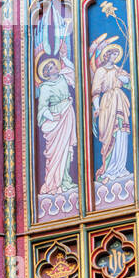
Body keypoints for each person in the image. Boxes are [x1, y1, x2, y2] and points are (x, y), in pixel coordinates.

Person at [35, 43, 77, 195]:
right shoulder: (45, 87)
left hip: (67, 113)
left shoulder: (64, 76)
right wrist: (53, 116)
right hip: (56, 119)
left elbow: (74, 72)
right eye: (51, 67)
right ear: (46, 72)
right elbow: (43, 108)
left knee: (67, 148)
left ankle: (66, 180)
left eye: (55, 65)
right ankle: (54, 182)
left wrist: (64, 56)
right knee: (56, 152)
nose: (55, 67)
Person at [90, 36, 132, 182]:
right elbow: (95, 91)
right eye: (112, 54)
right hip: (107, 104)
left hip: (119, 100)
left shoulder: (117, 69)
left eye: (116, 54)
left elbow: (129, 84)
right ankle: (109, 168)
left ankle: (120, 166)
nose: (114, 57)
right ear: (107, 55)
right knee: (110, 134)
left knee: (121, 132)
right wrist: (97, 108)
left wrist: (124, 79)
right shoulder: (101, 71)